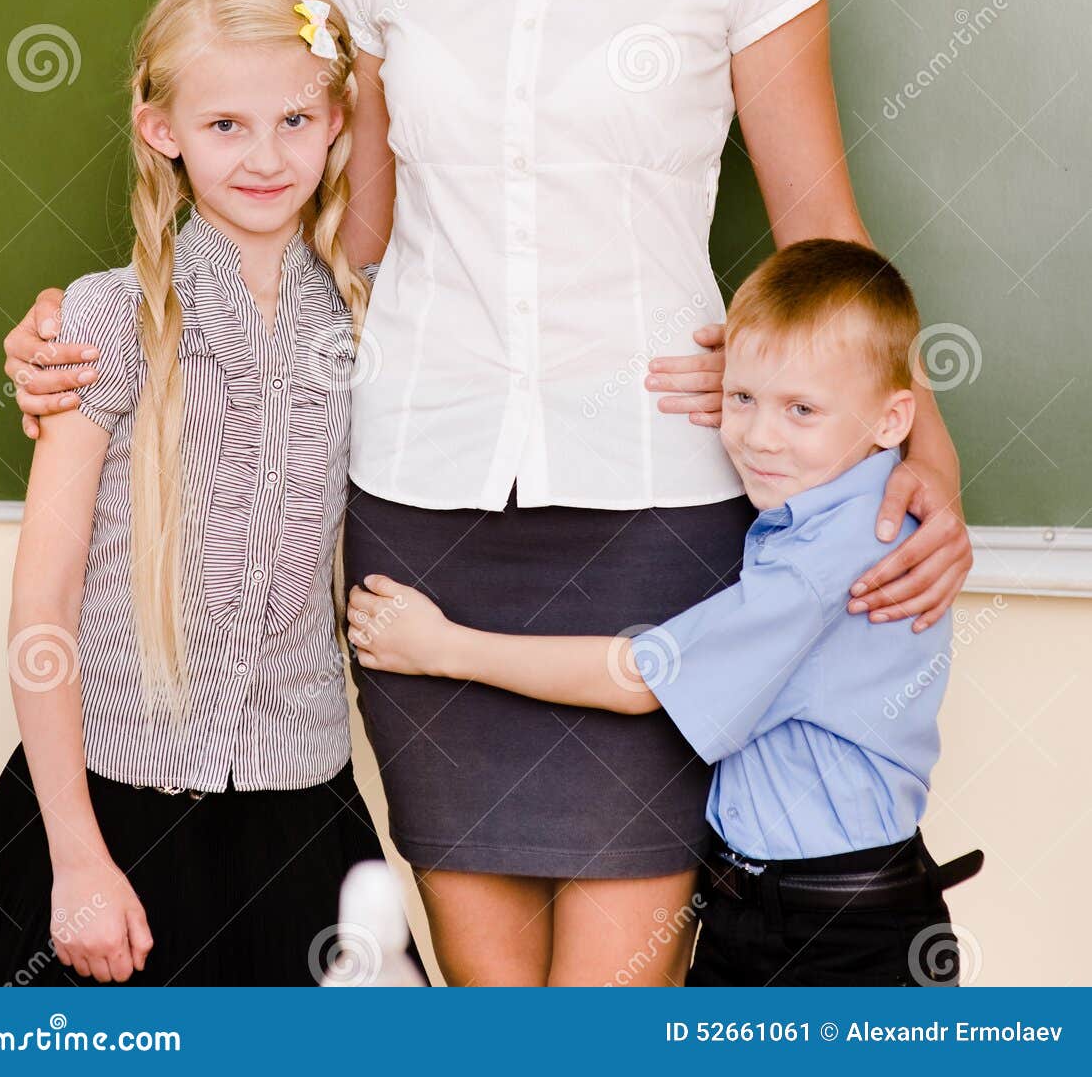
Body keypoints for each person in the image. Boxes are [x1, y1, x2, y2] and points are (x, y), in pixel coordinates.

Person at [1, 0, 972, 987]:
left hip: (660, 506)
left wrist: (925, 461)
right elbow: (344, 216)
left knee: (609, 1013)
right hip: (424, 508)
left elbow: (819, 233)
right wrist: (83, 328)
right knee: (483, 1012)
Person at [0, 0, 393, 987]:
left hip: (300, 799)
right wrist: (76, 858)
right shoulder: (103, 319)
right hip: (110, 800)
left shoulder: (368, 320)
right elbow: (42, 601)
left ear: (337, 120)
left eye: (294, 121)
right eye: (224, 125)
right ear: (161, 130)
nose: (265, 156)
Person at [346, 239, 984, 987]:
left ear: (892, 419)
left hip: (829, 929)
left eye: (801, 409)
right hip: (768, 898)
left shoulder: (826, 559)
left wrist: (445, 648)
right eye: (741, 398)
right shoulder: (831, 515)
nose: (759, 436)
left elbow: (640, 679)